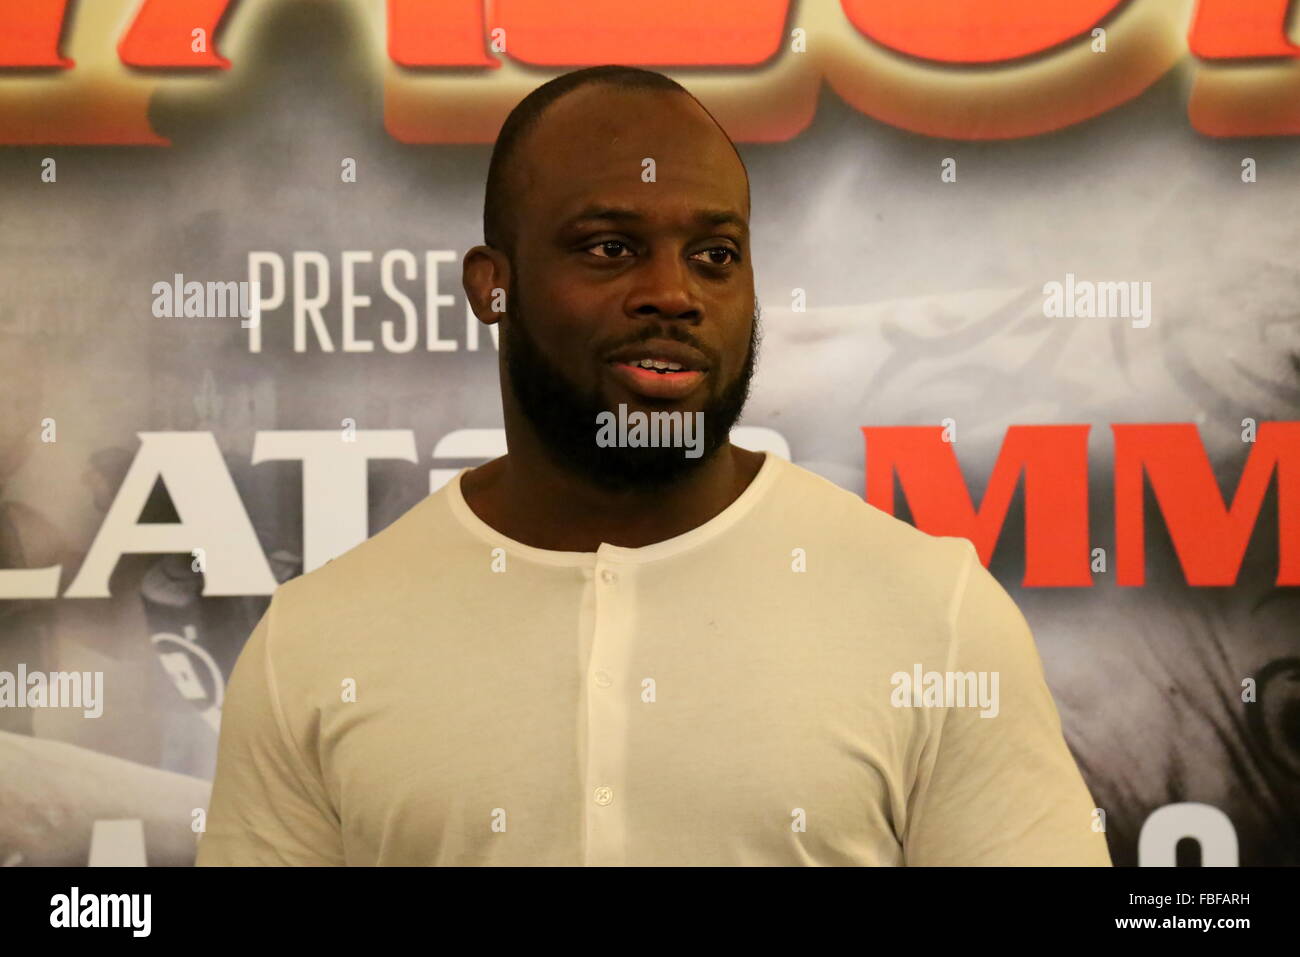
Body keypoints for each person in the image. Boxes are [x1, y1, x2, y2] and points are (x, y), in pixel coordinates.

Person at [196, 65, 1111, 866]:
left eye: (714, 256)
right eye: (610, 247)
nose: (672, 293)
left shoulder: (933, 612)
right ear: (492, 285)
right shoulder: (316, 643)